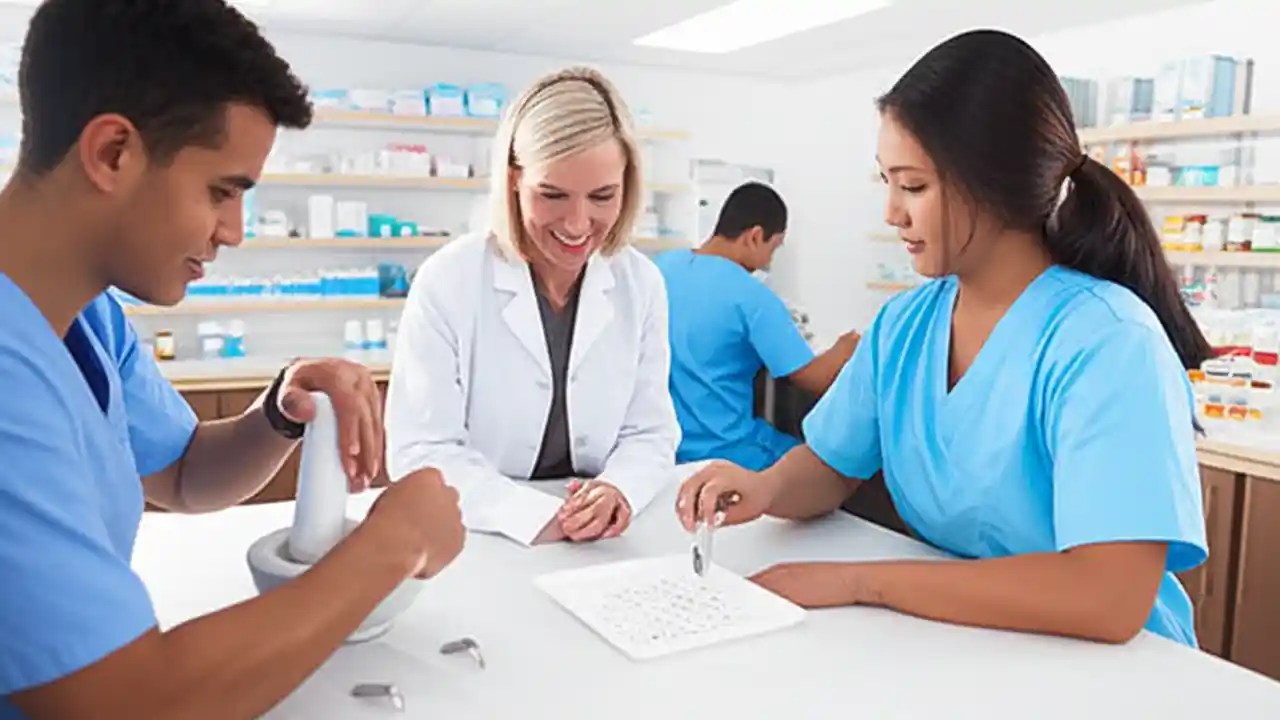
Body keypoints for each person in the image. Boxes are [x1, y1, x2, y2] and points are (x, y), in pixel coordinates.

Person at [0, 3, 465, 718]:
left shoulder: (85, 315)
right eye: (222, 191)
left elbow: (184, 475)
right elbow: (128, 703)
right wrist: (390, 546)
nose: (233, 232)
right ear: (112, 154)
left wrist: (279, 411)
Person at [677, 29, 1211, 647]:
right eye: (887, 182)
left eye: (914, 186)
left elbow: (1108, 597)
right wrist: (765, 486)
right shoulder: (906, 325)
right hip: (974, 644)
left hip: (1116, 673)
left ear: (995, 183)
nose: (891, 212)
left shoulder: (1109, 342)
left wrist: (861, 582)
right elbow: (829, 463)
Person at [386, 67, 680, 547]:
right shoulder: (450, 279)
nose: (579, 223)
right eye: (553, 195)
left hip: (603, 540)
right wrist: (529, 516)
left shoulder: (640, 283)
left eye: (603, 196)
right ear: (514, 180)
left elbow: (649, 431)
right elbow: (421, 450)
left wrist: (618, 490)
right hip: (481, 532)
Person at [655, 181, 860, 471]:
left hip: (660, 448)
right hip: (724, 450)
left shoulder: (661, 267)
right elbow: (815, 379)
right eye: (772, 249)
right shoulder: (751, 296)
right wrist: (847, 348)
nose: (767, 262)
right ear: (755, 236)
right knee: (823, 466)